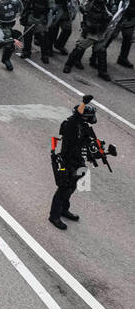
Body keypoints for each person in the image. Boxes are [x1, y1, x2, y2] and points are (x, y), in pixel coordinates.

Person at [49, 96, 112, 230]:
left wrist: (103, 153)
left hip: (79, 163)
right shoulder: (71, 125)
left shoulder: (84, 128)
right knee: (63, 188)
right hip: (67, 162)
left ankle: (64, 210)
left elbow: (90, 147)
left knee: (71, 188)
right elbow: (77, 116)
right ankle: (54, 216)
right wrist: (84, 103)